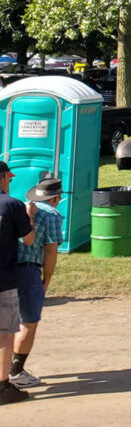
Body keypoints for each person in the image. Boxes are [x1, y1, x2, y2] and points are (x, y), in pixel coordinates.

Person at [9, 175, 63, 389]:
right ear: (56, 198)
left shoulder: (17, 207)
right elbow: (50, 251)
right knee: (28, 322)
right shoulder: (52, 215)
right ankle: (16, 370)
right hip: (28, 270)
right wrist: (46, 280)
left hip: (6, 267)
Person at [0, 160, 35, 405]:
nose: (9, 183)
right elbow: (29, 240)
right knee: (5, 334)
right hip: (3, 279)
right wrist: (30, 216)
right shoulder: (12, 205)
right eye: (9, 179)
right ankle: (3, 386)